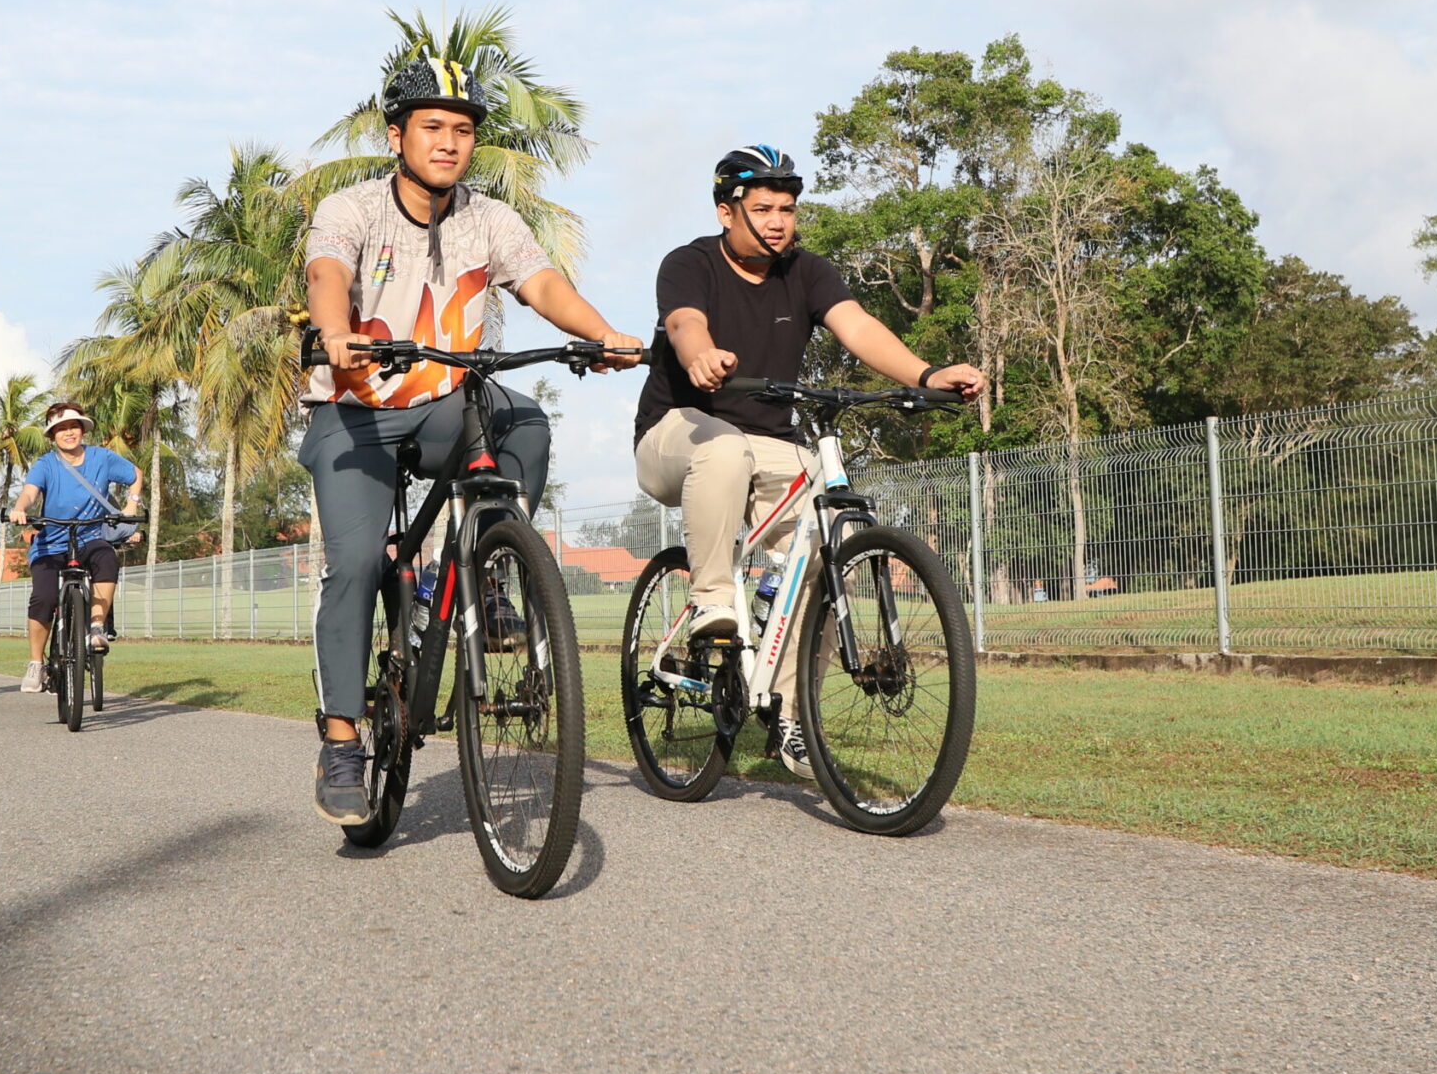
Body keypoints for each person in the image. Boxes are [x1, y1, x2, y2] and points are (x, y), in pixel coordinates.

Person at [301, 53, 642, 825]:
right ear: (396, 136)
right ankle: (342, 739)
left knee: (524, 420)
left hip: (446, 404)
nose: (449, 141)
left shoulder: (489, 218)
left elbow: (541, 283)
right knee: (356, 561)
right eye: (432, 126)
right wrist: (335, 333)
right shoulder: (352, 208)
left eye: (462, 129)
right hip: (355, 412)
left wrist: (600, 333)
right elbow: (327, 275)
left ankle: (486, 567)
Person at [633, 144, 984, 776]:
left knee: (830, 542)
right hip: (678, 433)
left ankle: (792, 715)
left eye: (787, 210)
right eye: (763, 208)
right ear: (726, 211)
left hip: (768, 442)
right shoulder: (689, 263)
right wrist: (700, 355)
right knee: (726, 448)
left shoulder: (809, 271)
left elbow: (859, 327)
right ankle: (711, 600)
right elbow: (685, 323)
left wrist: (926, 374)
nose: (777, 222)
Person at [5, 400, 142, 695]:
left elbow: (135, 474)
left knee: (107, 558)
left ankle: (96, 628)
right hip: (50, 543)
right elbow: (30, 492)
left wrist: (132, 504)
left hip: (89, 537)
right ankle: (36, 664)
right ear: (52, 435)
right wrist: (20, 509)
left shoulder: (102, 458)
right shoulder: (46, 464)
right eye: (61, 428)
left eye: (73, 426)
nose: (68, 433)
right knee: (44, 597)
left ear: (82, 429)